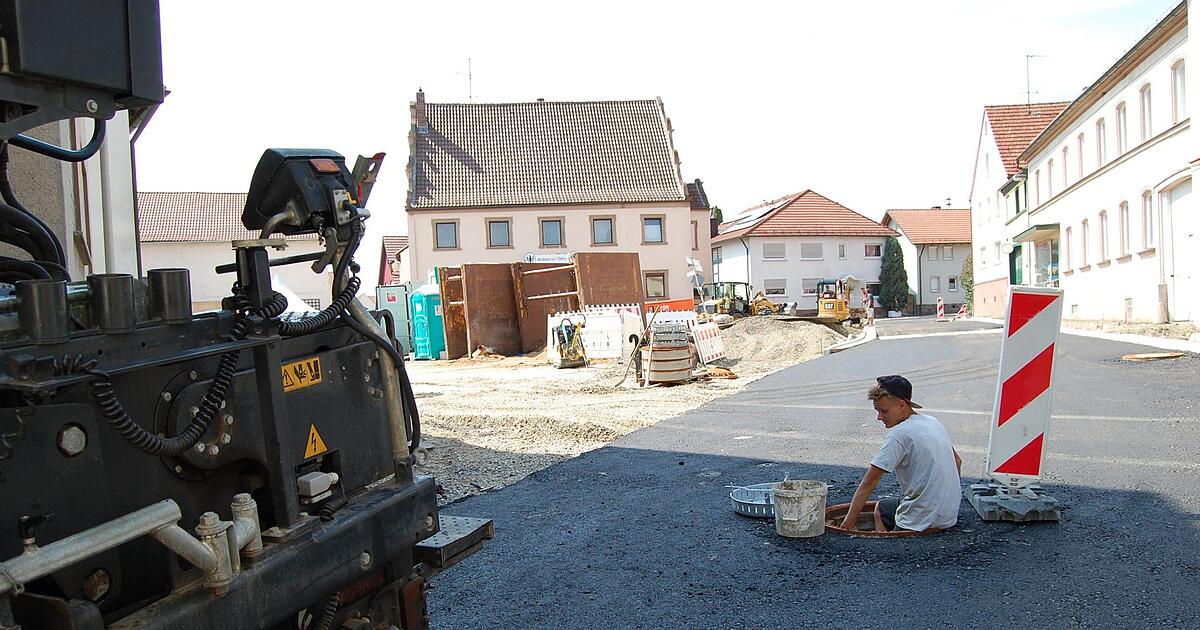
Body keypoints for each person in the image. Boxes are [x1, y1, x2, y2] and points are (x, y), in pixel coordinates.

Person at [841, 375, 962, 532]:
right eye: (877, 411)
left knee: (881, 512)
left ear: (902, 405)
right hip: (949, 516)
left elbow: (870, 481)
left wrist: (848, 524)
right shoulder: (933, 421)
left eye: (884, 411)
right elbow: (957, 461)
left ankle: (887, 545)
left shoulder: (900, 433)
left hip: (919, 521)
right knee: (882, 507)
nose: (879, 417)